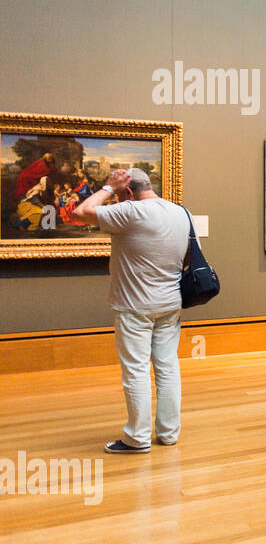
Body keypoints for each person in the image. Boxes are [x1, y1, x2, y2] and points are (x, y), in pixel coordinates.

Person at [71, 168, 190, 453]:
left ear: (127, 191)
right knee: (168, 366)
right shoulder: (179, 212)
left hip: (135, 306)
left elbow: (80, 212)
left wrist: (108, 188)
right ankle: (169, 433)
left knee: (136, 371)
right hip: (170, 303)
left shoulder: (130, 211)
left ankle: (137, 438)